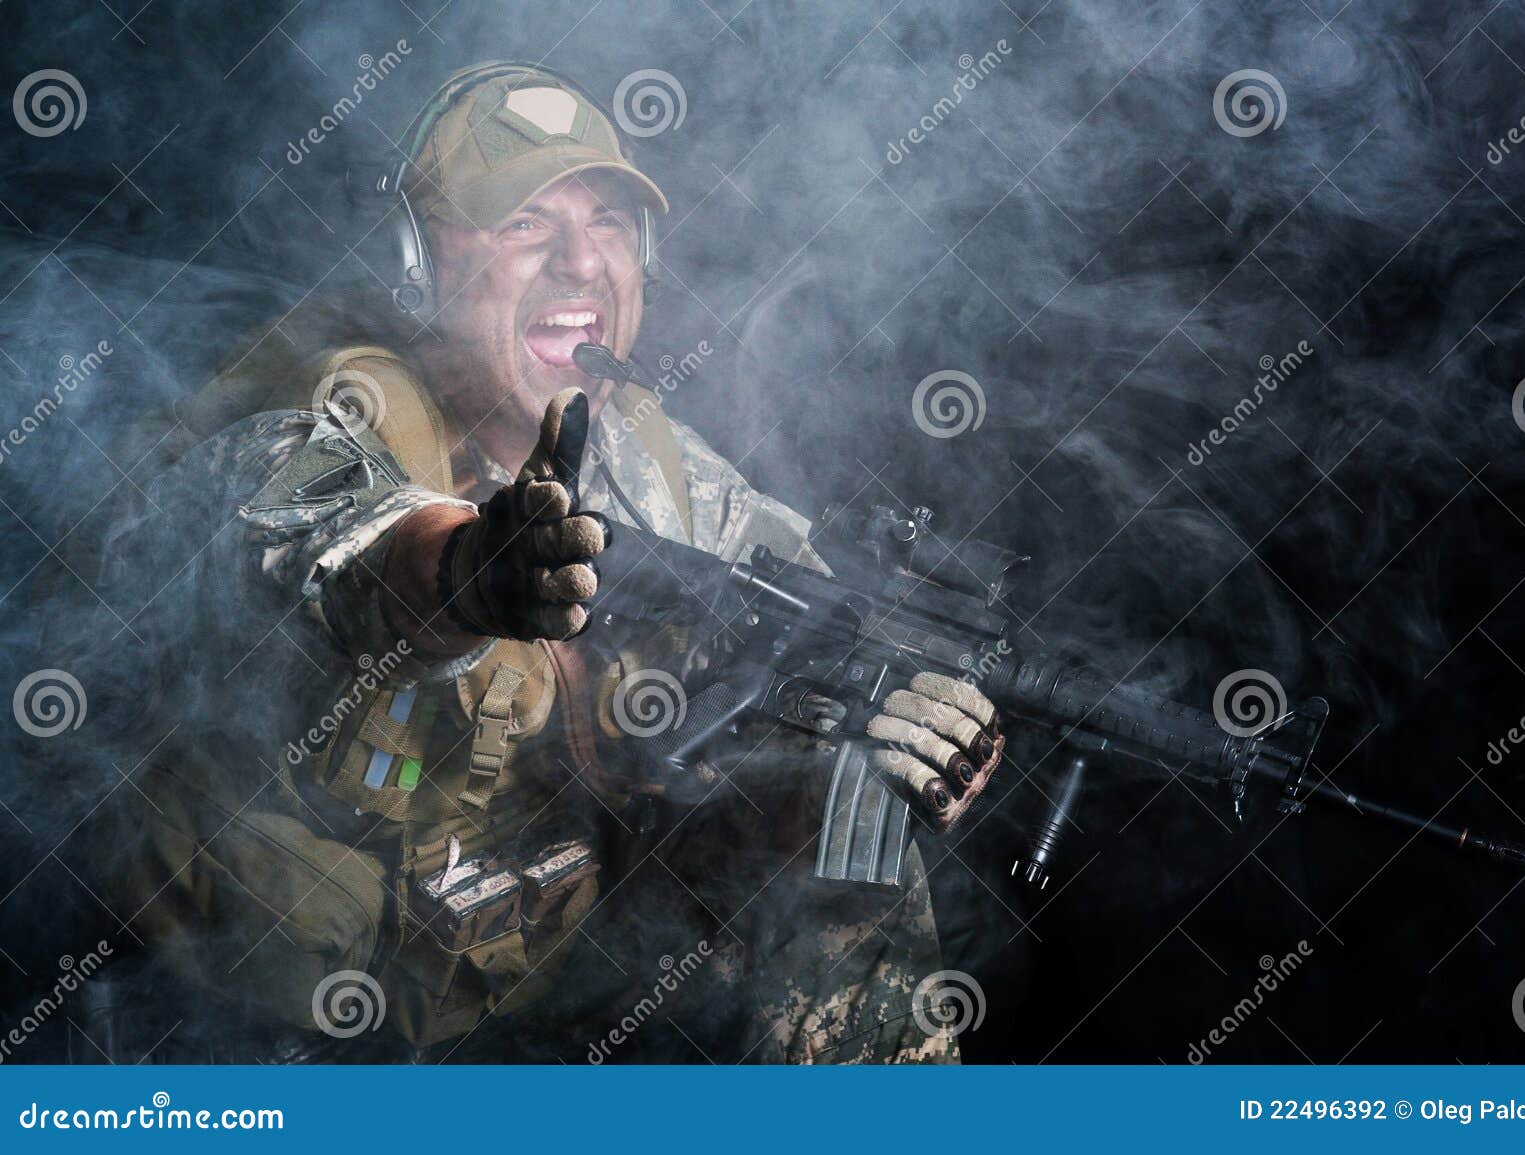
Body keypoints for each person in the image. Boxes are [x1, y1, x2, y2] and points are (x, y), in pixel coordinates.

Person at [87, 63, 1004, 1062]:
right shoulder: (329, 400)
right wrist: (464, 571)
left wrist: (919, 713)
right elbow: (321, 527)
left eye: (608, 223)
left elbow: (815, 603)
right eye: (524, 222)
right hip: (292, 1028)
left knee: (848, 828)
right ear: (412, 260)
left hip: (543, 966)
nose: (580, 263)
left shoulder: (643, 458)